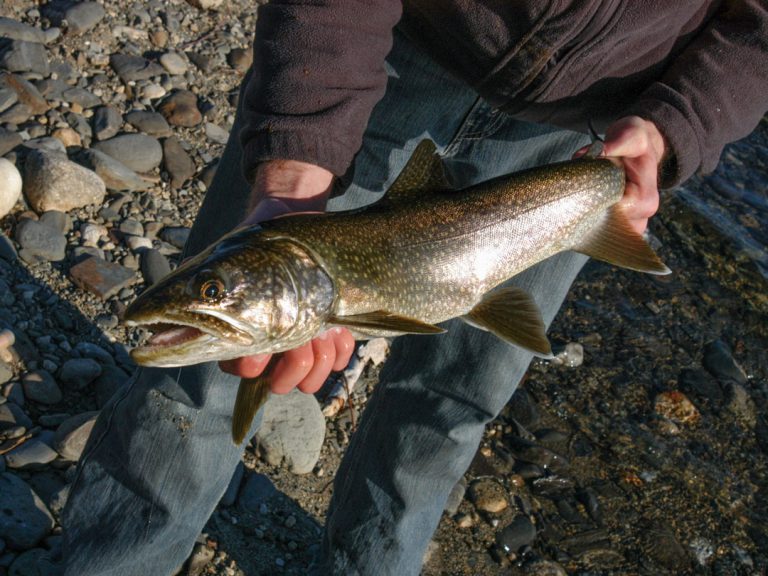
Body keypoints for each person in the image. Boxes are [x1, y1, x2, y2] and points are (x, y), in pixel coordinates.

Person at [57, 1, 768, 575]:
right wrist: (299, 153)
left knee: (454, 400)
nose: (207, 295)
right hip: (374, 55)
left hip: (588, 130)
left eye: (213, 291)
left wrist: (680, 122)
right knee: (203, 380)